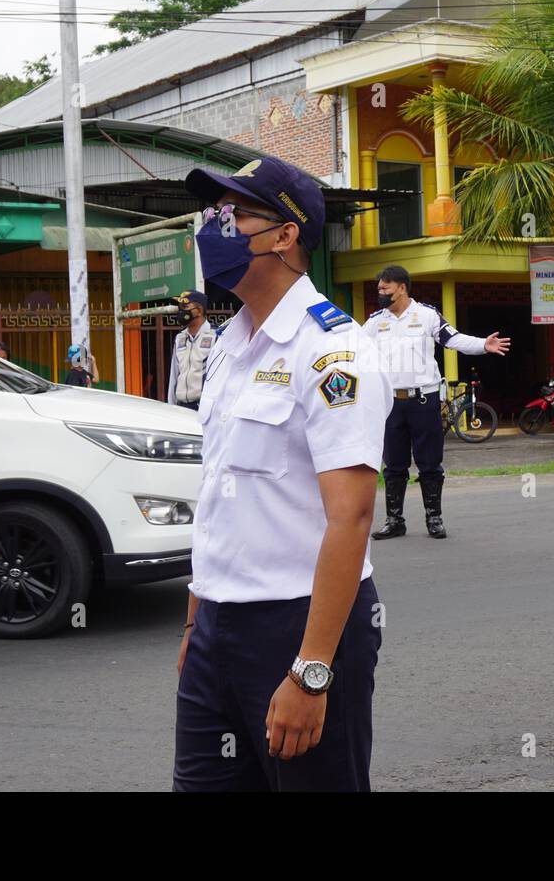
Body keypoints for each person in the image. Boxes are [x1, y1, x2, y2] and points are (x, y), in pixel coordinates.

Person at [174, 154, 391, 791]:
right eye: (214, 212)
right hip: (216, 627)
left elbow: (351, 516)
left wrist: (312, 670)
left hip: (299, 626)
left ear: (285, 234)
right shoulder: (228, 345)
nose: (215, 227)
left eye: (234, 214)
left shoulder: (333, 351)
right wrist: (195, 621)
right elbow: (219, 499)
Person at [365, 264, 510, 539]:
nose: (380, 293)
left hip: (424, 400)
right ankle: (394, 521)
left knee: (429, 462)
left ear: (402, 288)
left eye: (385, 288)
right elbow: (356, 351)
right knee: (393, 464)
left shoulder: (427, 315)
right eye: (379, 289)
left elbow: (453, 339)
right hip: (390, 403)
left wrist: (483, 345)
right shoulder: (374, 322)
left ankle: (434, 518)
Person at [167, 290, 215, 410]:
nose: (181, 311)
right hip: (181, 408)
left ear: (199, 311)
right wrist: (171, 407)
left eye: (185, 307)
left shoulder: (215, 336)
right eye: (180, 307)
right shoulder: (180, 338)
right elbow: (174, 375)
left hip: (203, 407)